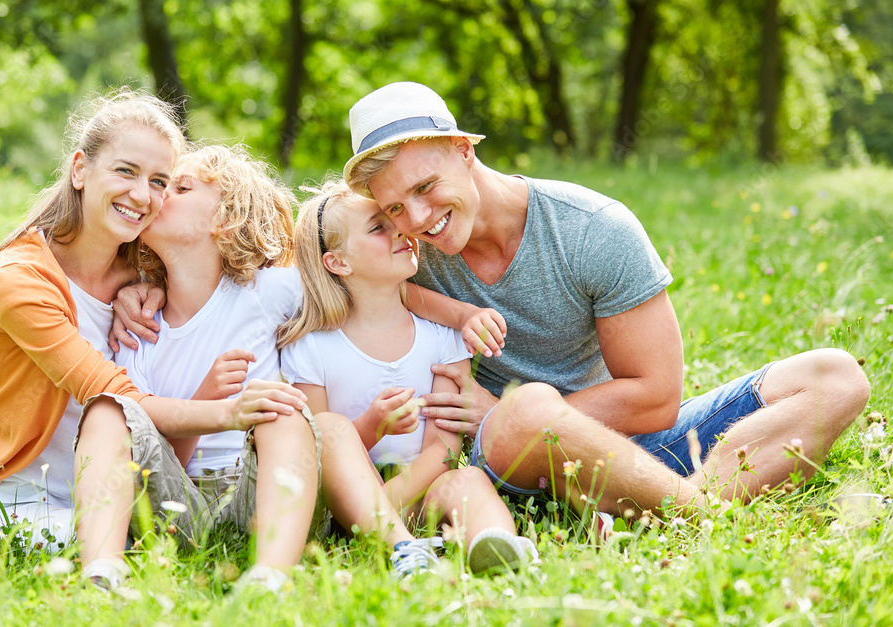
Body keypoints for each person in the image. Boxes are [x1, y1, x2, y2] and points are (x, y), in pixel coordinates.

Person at [342, 81, 871, 514]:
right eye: (392, 209)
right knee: (525, 413)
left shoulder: (592, 229)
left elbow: (658, 396)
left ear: (463, 150)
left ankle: (684, 503)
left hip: (623, 444)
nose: (414, 221)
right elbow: (310, 268)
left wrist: (507, 412)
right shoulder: (402, 259)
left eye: (425, 188)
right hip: (506, 453)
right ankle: (697, 510)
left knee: (835, 377)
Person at [0, 90, 276, 584]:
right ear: (80, 170)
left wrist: (144, 286)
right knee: (119, 539)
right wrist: (227, 414)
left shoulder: (144, 269)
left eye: (160, 181)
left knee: (147, 538)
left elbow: (245, 262)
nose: (143, 196)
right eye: (125, 172)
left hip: (122, 488)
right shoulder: (19, 279)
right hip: (24, 495)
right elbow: (113, 395)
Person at [92, 144, 445, 589]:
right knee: (111, 407)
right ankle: (102, 568)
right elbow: (157, 457)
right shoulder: (138, 331)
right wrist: (206, 399)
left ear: (226, 220)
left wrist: (461, 316)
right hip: (178, 506)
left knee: (281, 408)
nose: (158, 197)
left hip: (270, 494)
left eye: (178, 187)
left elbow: (361, 283)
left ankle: (271, 576)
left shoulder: (267, 292)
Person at [277, 180, 538, 575]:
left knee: (466, 479)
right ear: (338, 262)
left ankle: (497, 545)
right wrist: (372, 427)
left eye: (394, 220)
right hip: (349, 504)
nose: (401, 231)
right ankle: (405, 552)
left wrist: (385, 500)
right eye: (377, 227)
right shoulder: (311, 348)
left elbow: (444, 448)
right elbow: (318, 454)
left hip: (421, 491)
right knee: (328, 427)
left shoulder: (442, 337)